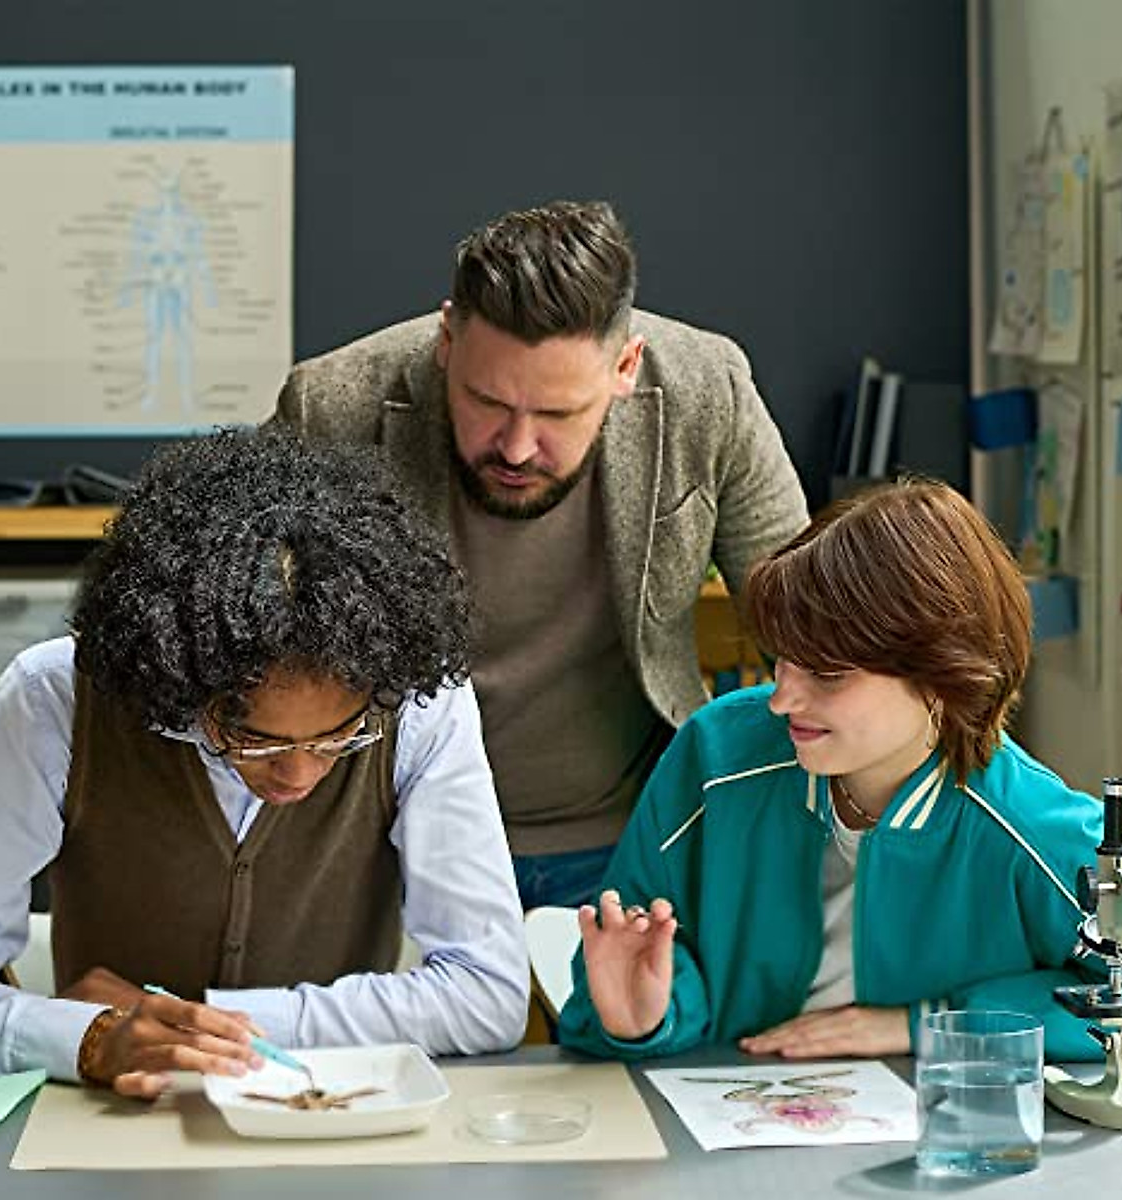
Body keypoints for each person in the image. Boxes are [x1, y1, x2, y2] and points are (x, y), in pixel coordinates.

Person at [0, 427, 528, 1097]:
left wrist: (203, 1023)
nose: (301, 774)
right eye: (254, 740)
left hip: (339, 1115)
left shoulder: (418, 700)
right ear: (174, 681)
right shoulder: (53, 701)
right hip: (119, 1128)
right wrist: (89, 1038)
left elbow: (490, 994)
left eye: (339, 738)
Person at [271, 200, 808, 908]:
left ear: (625, 366)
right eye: (486, 401)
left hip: (637, 834)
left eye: (557, 415)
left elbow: (810, 621)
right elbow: (235, 628)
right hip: (391, 839)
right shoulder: (332, 407)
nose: (518, 447)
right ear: (446, 341)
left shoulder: (708, 392)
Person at [558, 478, 1118, 1063]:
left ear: (942, 681)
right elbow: (618, 977)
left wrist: (924, 1025)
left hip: (939, 1134)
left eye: (827, 674)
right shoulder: (715, 755)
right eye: (783, 659)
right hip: (717, 1127)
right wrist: (647, 1019)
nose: (781, 700)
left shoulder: (1029, 825)